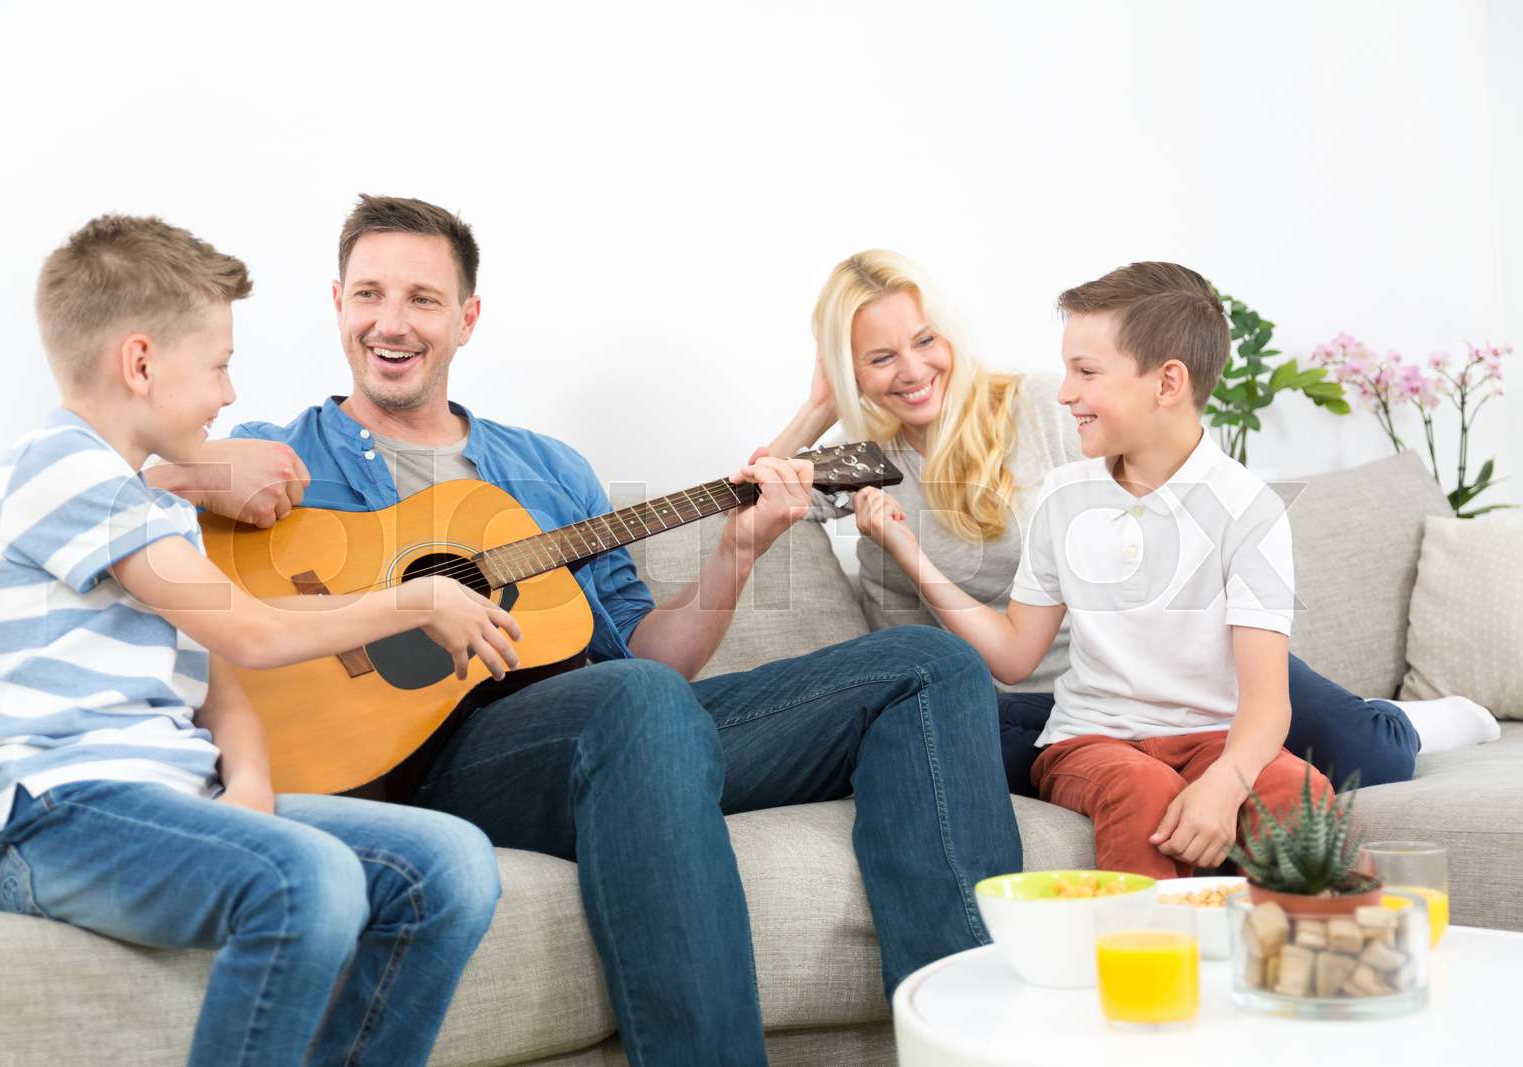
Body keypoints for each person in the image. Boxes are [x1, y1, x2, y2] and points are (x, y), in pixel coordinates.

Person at [146, 195, 1022, 1066]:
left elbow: (655, 660)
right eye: (370, 293)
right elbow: (116, 487)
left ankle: (968, 1047)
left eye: (423, 298)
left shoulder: (548, 470)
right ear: (338, 303)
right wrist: (199, 464)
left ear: (466, 318)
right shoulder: (281, 453)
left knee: (930, 666)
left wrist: (735, 555)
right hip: (426, 764)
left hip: (615, 727)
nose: (392, 321)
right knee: (635, 704)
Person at [0, 215, 501, 1067]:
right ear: (139, 363)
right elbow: (256, 630)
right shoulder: (53, 466)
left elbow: (224, 678)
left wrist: (247, 785)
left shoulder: (160, 511)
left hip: (169, 799)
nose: (231, 395)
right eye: (220, 365)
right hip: (51, 815)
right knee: (308, 882)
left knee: (451, 865)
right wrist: (414, 597)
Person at [768, 250, 1497, 801]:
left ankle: (1418, 718)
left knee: (1368, 753)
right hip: (1058, 703)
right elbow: (753, 493)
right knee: (928, 746)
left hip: (1177, 665)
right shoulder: (865, 462)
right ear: (851, 370)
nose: (913, 368)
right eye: (879, 357)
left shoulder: (1046, 408)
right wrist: (814, 409)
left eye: (925, 340)